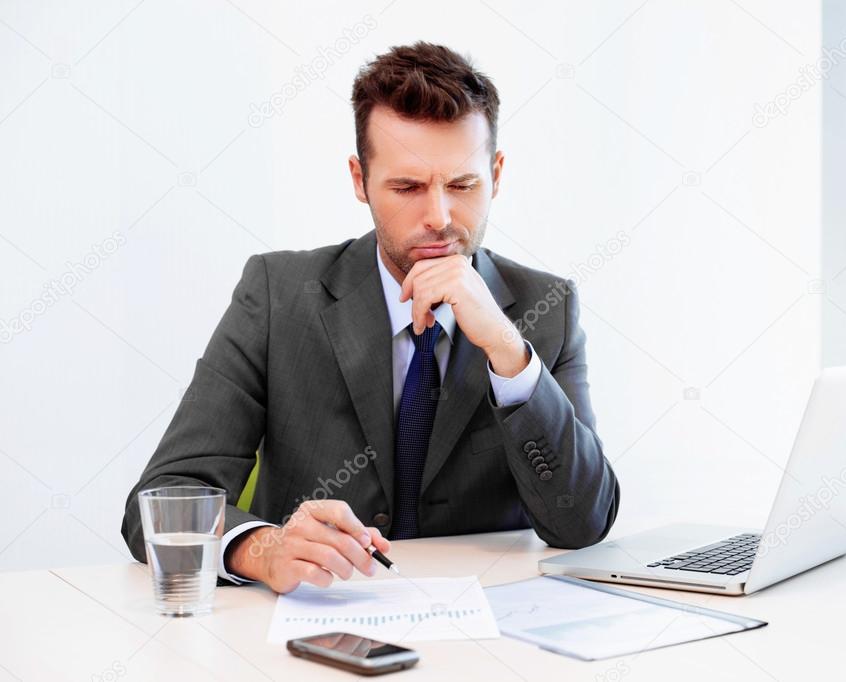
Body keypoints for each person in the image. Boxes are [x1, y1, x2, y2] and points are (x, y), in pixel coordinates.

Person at [121, 42, 619, 594]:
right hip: (313, 632)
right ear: (360, 180)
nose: (439, 218)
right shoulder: (277, 295)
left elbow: (583, 523)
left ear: (496, 175)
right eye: (407, 187)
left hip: (489, 633)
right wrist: (265, 550)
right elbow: (161, 504)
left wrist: (508, 353)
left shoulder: (546, 308)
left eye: (462, 185)